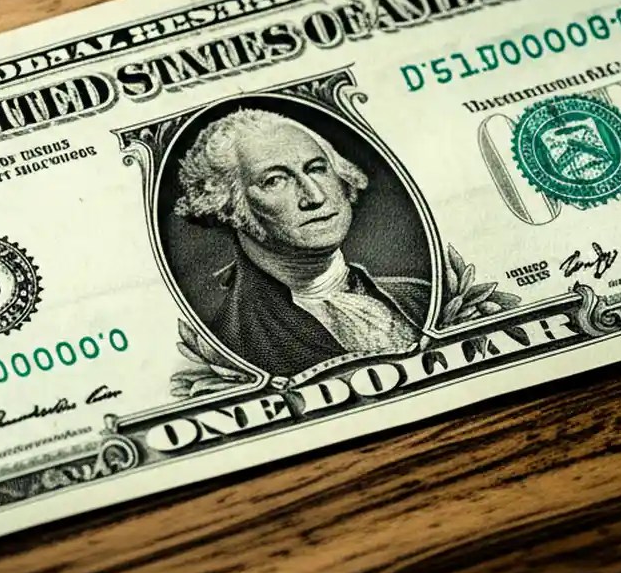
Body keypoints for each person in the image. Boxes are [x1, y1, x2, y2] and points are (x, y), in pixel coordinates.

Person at [173, 108, 430, 377]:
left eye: (317, 169)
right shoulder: (232, 351)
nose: (315, 196)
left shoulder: (417, 297)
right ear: (227, 204)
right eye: (274, 181)